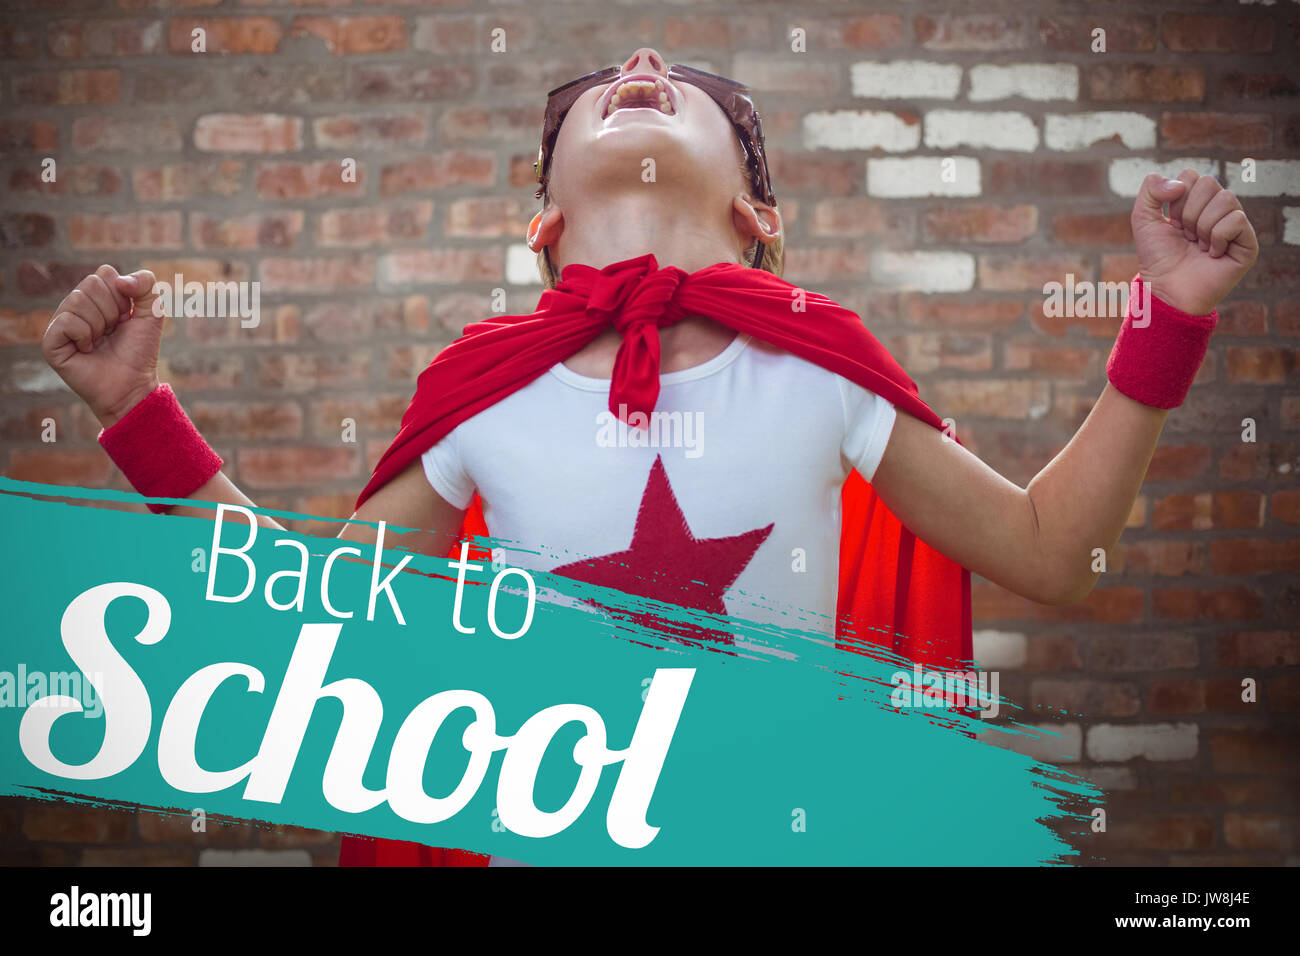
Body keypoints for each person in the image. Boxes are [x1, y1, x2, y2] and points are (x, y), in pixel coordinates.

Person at [40, 48, 1258, 866]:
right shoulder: (481, 392)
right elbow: (313, 627)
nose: (640, 67)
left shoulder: (822, 364)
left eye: (693, 87)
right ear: (545, 223)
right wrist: (142, 412)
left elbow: (1058, 555)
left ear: (759, 215)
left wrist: (1171, 316)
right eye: (599, 86)